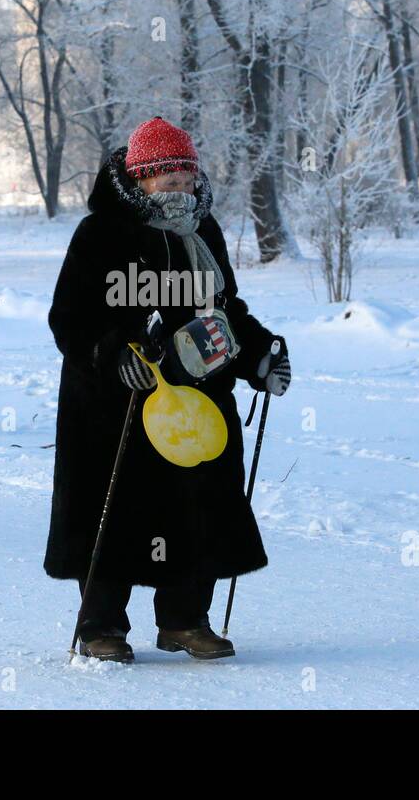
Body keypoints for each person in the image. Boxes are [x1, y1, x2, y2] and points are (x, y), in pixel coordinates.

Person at [46, 117, 292, 662]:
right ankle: (101, 626)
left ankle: (184, 620)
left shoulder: (203, 233)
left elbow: (225, 313)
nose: (178, 184)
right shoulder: (100, 234)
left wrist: (259, 357)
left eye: (185, 174)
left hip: (194, 399)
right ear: (139, 179)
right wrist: (112, 354)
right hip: (116, 404)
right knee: (115, 513)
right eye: (165, 176)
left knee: (194, 507)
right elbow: (69, 318)